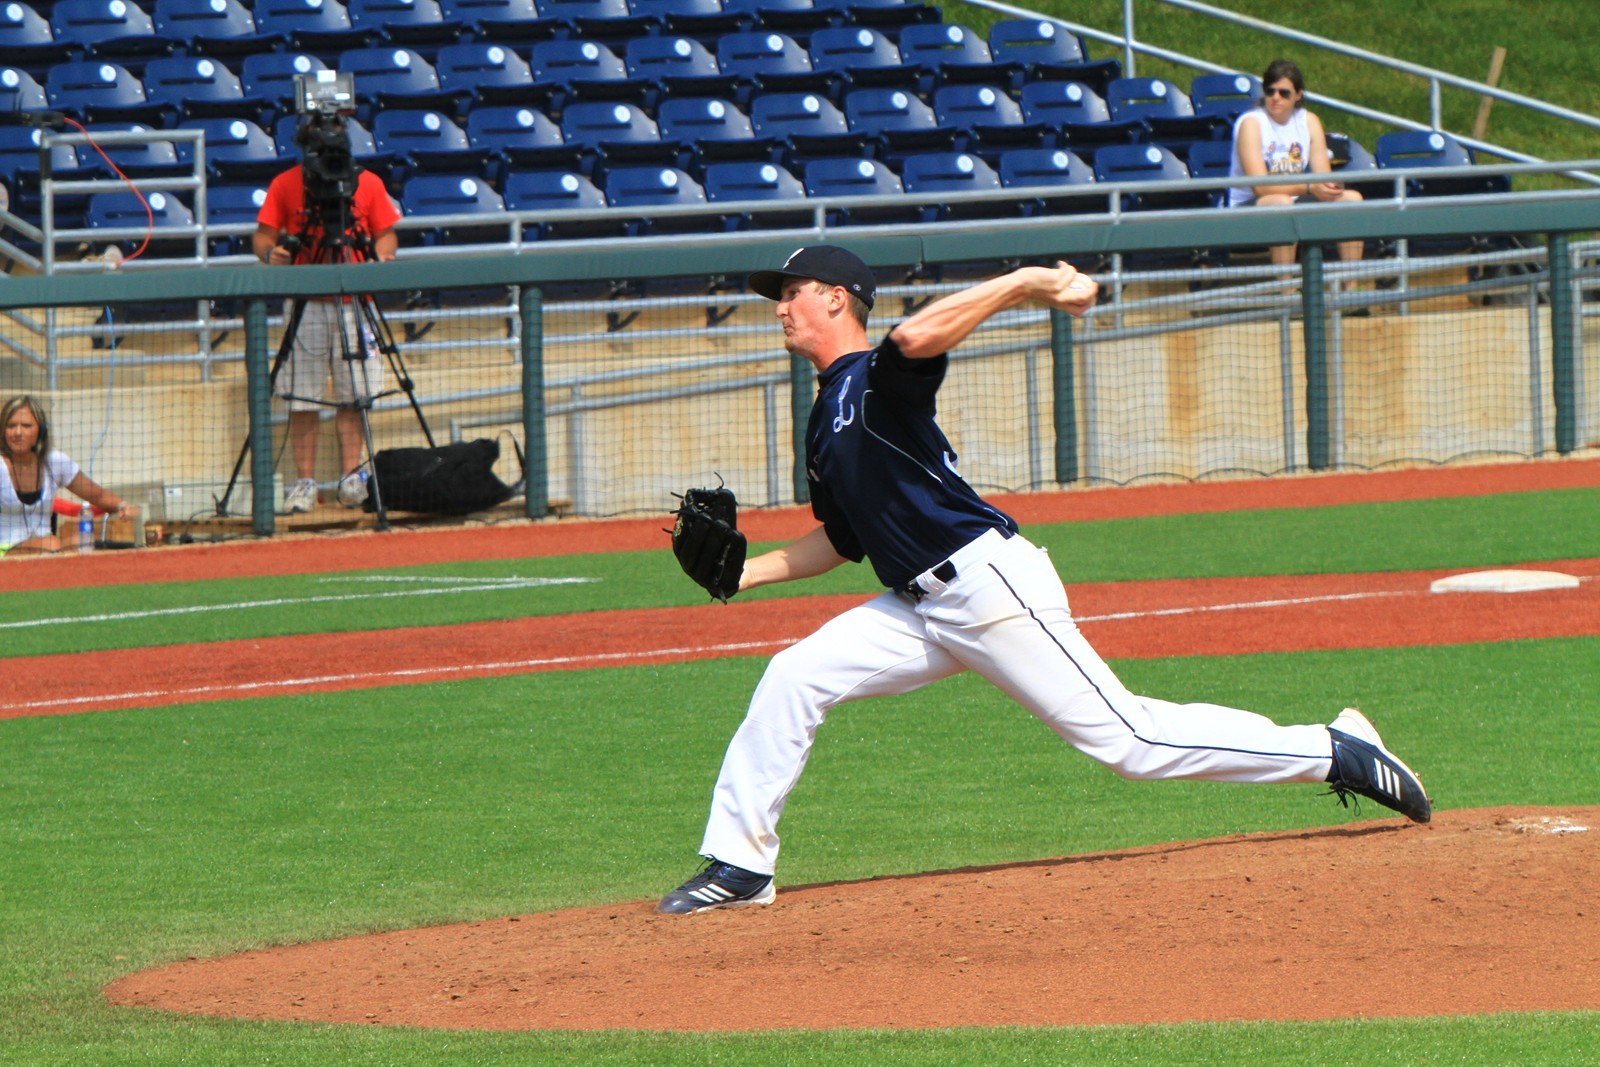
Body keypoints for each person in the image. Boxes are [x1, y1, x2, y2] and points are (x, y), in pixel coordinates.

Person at [656, 246, 1430, 915]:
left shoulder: (878, 379)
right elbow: (844, 538)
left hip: (989, 589)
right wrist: (744, 574)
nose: (779, 308)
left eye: (790, 293)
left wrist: (1029, 280)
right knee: (794, 675)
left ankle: (1336, 750)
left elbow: (916, 335)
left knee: (1130, 740)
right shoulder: (825, 415)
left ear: (835, 299)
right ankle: (743, 864)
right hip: (917, 607)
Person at [252, 111, 400, 514]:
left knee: (356, 394)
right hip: (306, 303)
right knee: (303, 397)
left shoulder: (367, 182)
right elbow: (262, 235)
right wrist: (271, 253)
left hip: (357, 300)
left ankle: (352, 477)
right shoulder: (286, 184)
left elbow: (386, 234)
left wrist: (382, 260)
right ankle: (305, 482)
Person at [1227, 58, 1366, 285]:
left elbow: (1322, 177)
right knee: (1282, 203)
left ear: (1298, 95)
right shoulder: (1251, 124)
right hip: (1250, 206)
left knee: (1352, 199)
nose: (1275, 98)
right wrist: (1309, 187)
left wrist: (1330, 187)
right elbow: (1260, 187)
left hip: (1295, 200)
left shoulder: (1309, 122)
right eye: (1270, 91)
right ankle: (1287, 293)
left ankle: (1351, 291)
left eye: (1284, 93)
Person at [1, 394, 138, 556]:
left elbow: (97, 495)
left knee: (80, 541)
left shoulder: (54, 462)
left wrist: (122, 506)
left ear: (41, 430)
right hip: (5, 548)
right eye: (11, 426)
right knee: (50, 544)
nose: (18, 432)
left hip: (46, 545)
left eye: (26, 426)